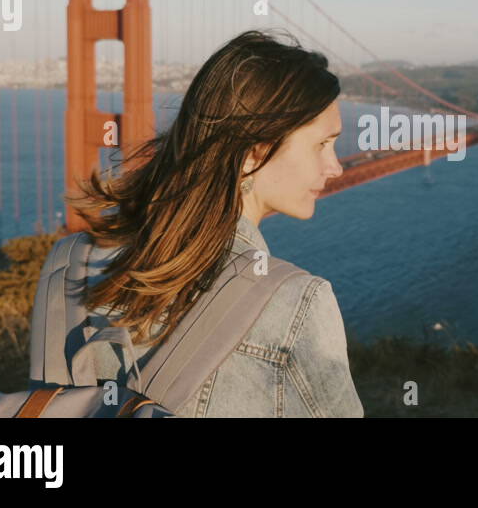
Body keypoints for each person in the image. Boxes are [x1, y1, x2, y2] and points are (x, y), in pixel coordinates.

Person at [60, 29, 363, 417]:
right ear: (254, 154)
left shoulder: (67, 265)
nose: (336, 167)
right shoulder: (299, 304)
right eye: (323, 144)